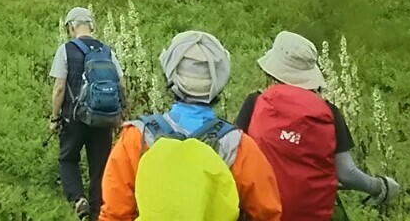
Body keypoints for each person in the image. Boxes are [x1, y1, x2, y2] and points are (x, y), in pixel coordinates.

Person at [99, 30, 282, 221]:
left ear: (170, 76)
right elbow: (267, 214)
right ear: (219, 83)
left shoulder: (136, 138)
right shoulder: (238, 147)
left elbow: (114, 214)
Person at [238, 32, 401, 219]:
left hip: (260, 213)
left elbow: (235, 156)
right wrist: (380, 187)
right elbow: (346, 173)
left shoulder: (255, 103)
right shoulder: (329, 112)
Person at [49, 7, 125, 220]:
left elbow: (59, 88)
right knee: (100, 167)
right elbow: (121, 84)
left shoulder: (66, 50)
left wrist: (54, 117)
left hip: (74, 117)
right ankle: (98, 213)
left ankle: (78, 199)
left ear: (71, 27)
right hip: (104, 117)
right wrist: (120, 115)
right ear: (92, 26)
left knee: (68, 159)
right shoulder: (107, 51)